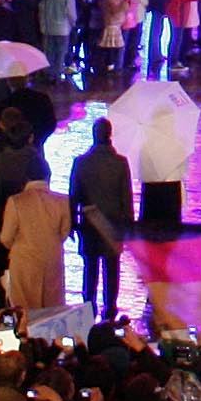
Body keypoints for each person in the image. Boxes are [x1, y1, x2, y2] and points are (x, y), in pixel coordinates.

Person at [70, 116, 132, 313]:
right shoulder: (121, 163)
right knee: (112, 269)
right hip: (113, 224)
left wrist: (73, 224)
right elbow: (126, 197)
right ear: (110, 135)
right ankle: (110, 310)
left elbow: (73, 197)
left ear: (93, 135)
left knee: (90, 270)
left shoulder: (80, 162)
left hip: (89, 223)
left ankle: (89, 310)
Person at [0, 168, 74, 313]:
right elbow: (64, 233)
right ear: (48, 176)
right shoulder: (63, 201)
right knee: (52, 310)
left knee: (24, 310)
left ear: (25, 179)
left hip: (24, 262)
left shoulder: (16, 201)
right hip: (52, 260)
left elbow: (5, 237)